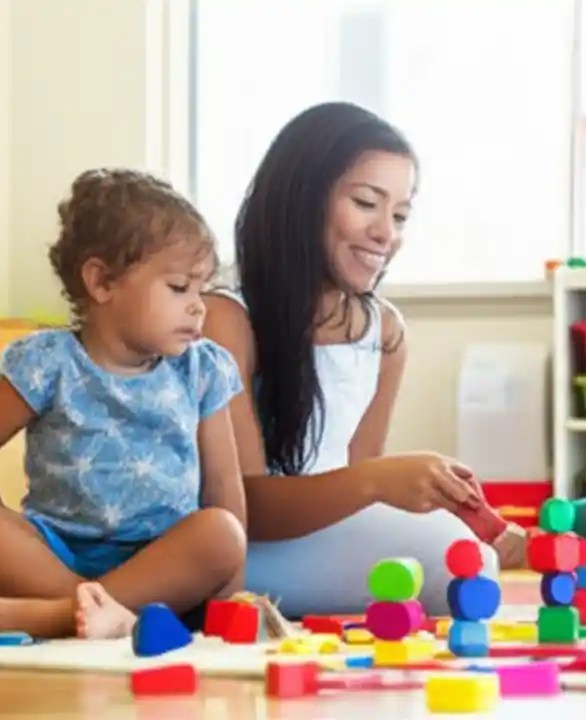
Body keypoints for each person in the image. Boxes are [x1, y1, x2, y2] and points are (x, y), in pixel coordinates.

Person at [203, 102, 523, 617]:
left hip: (316, 540)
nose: (385, 233)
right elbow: (248, 508)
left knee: (465, 555)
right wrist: (380, 480)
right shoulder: (227, 317)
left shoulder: (384, 332)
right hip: (237, 545)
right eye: (366, 203)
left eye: (398, 215)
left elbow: (359, 480)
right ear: (300, 198)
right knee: (453, 565)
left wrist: (431, 496)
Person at [0, 169, 247, 639]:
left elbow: (224, 483)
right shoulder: (49, 363)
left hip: (160, 561)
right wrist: (3, 531)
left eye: (202, 290)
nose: (199, 307)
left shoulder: (201, 369)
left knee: (222, 532)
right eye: (180, 287)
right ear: (102, 282)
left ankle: (61, 615)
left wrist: (231, 594)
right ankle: (90, 608)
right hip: (56, 553)